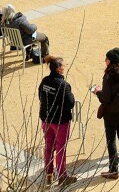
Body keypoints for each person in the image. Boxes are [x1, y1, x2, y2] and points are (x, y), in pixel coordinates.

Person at [93, 47, 119, 177]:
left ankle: (113, 169)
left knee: (111, 140)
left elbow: (105, 98)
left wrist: (97, 92)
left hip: (111, 113)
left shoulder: (109, 76)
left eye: (106, 59)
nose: (105, 61)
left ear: (110, 61)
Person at [38, 56, 77, 187]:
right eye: (63, 66)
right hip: (60, 121)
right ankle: (62, 176)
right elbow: (70, 103)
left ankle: (49, 174)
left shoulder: (45, 81)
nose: (64, 67)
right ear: (59, 69)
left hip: (46, 119)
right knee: (61, 148)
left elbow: (40, 96)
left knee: (49, 146)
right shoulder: (63, 85)